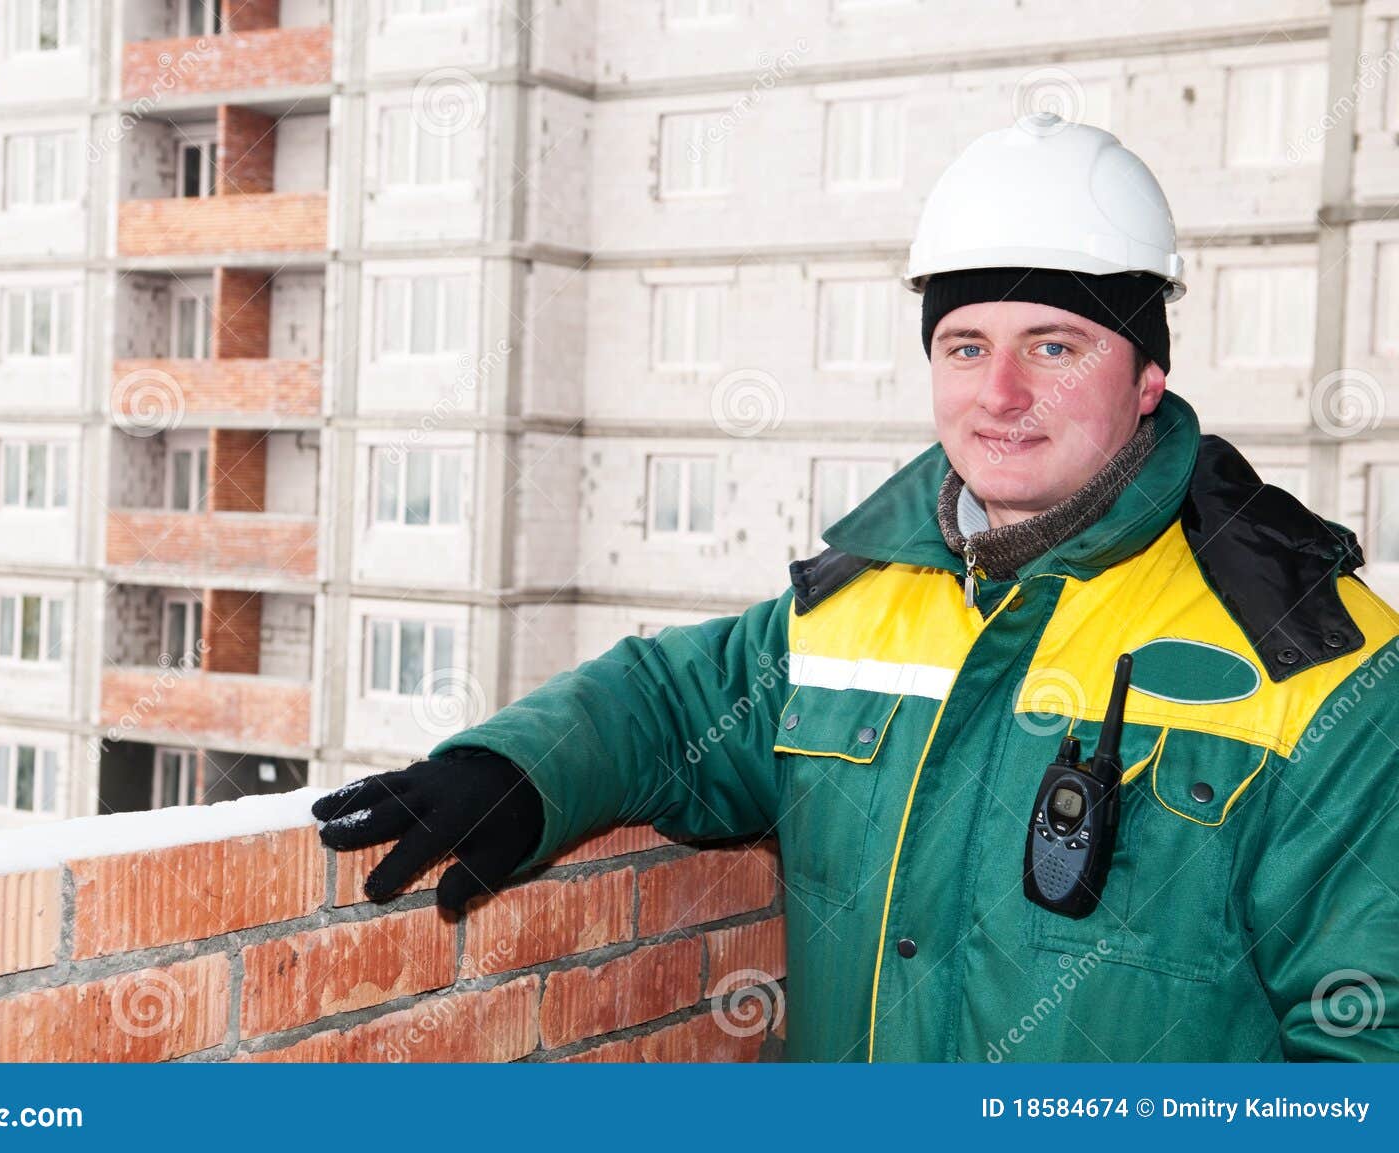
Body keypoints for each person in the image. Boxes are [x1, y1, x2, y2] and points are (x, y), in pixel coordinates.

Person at [314, 113, 1399, 1061]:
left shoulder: (1323, 665)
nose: (1000, 392)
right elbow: (674, 700)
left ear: (1147, 374)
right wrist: (514, 771)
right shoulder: (859, 606)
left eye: (1054, 346)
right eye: (964, 346)